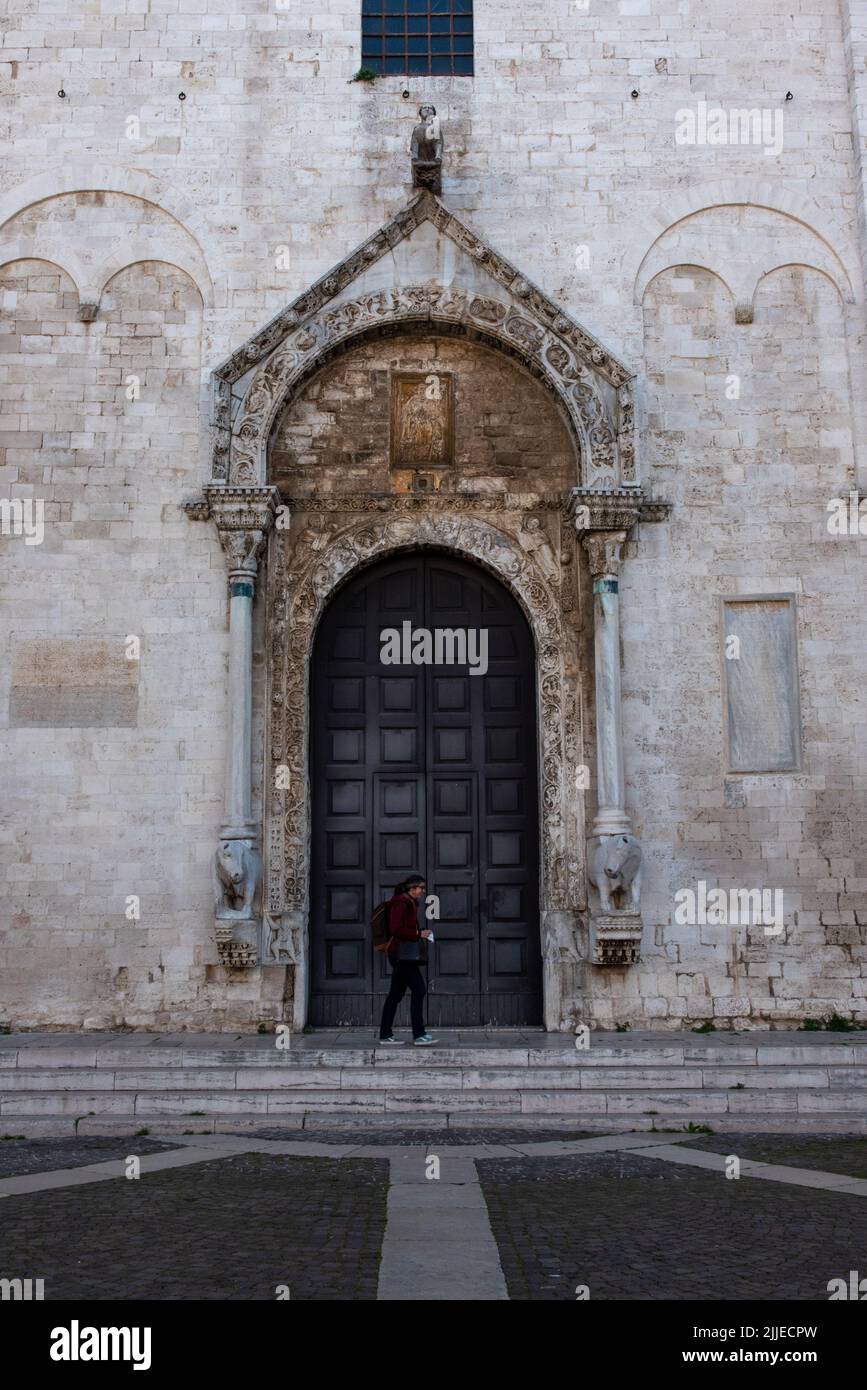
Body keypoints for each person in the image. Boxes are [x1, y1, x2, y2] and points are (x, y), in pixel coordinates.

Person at [378, 874, 438, 1046]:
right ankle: (419, 1034)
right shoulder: (401, 903)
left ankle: (385, 1034)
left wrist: (419, 932)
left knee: (395, 995)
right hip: (401, 956)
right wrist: (419, 934)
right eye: (421, 888)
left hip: (402, 955)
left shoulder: (407, 902)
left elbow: (405, 928)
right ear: (412, 888)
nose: (423, 891)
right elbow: (396, 929)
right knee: (419, 990)